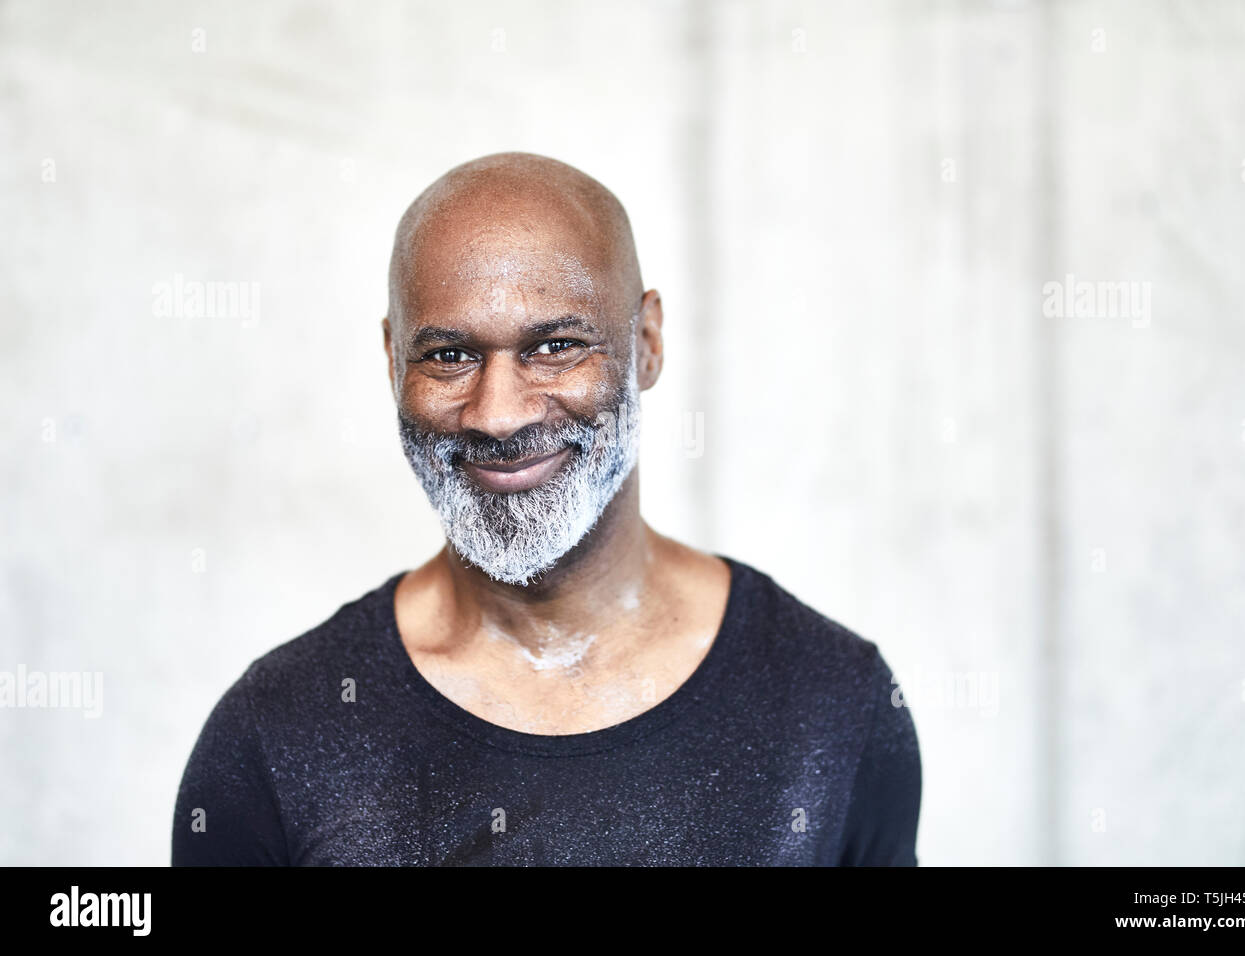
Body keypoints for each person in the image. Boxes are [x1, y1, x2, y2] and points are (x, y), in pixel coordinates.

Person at [171, 151, 922, 866]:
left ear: (648, 341)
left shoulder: (831, 703)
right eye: (450, 356)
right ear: (392, 358)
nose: (497, 416)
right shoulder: (278, 732)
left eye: (556, 345)